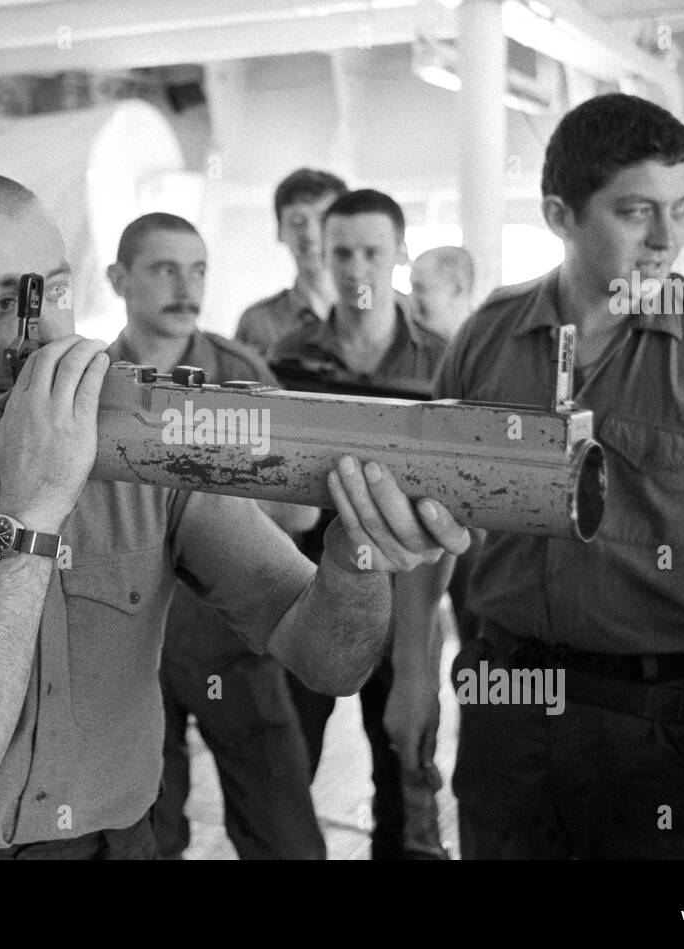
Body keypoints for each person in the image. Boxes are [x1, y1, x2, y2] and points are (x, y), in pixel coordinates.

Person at [0, 171, 466, 859]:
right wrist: (33, 507)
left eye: (53, 289)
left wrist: (357, 552)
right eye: (1, 302)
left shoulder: (137, 454)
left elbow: (326, 658)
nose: (46, 332)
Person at [416, 93, 684, 860]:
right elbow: (429, 525)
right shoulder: (487, 336)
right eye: (637, 211)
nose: (666, 240)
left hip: (663, 724)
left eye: (681, 209)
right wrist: (416, 674)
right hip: (501, 702)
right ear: (559, 213)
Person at [104, 211, 324, 859]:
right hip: (127, 646)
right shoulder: (92, 381)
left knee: (284, 834)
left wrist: (207, 510)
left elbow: (301, 513)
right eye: (164, 268)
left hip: (233, 637)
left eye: (197, 268)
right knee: (145, 833)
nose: (185, 285)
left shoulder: (242, 376)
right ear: (119, 278)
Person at [271, 188, 450, 859]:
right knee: (288, 772)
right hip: (309, 591)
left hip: (410, 597)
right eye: (341, 250)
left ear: (399, 252)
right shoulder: (290, 357)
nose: (355, 267)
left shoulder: (442, 362)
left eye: (371, 250)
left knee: (405, 773)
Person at [235, 168, 347, 356]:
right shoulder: (257, 322)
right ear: (280, 232)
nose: (310, 234)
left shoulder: (384, 310)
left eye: (323, 219)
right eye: (297, 221)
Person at [409, 246, 475, 343]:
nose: (411, 298)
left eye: (420, 288)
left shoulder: (488, 347)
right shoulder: (413, 348)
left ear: (456, 289)